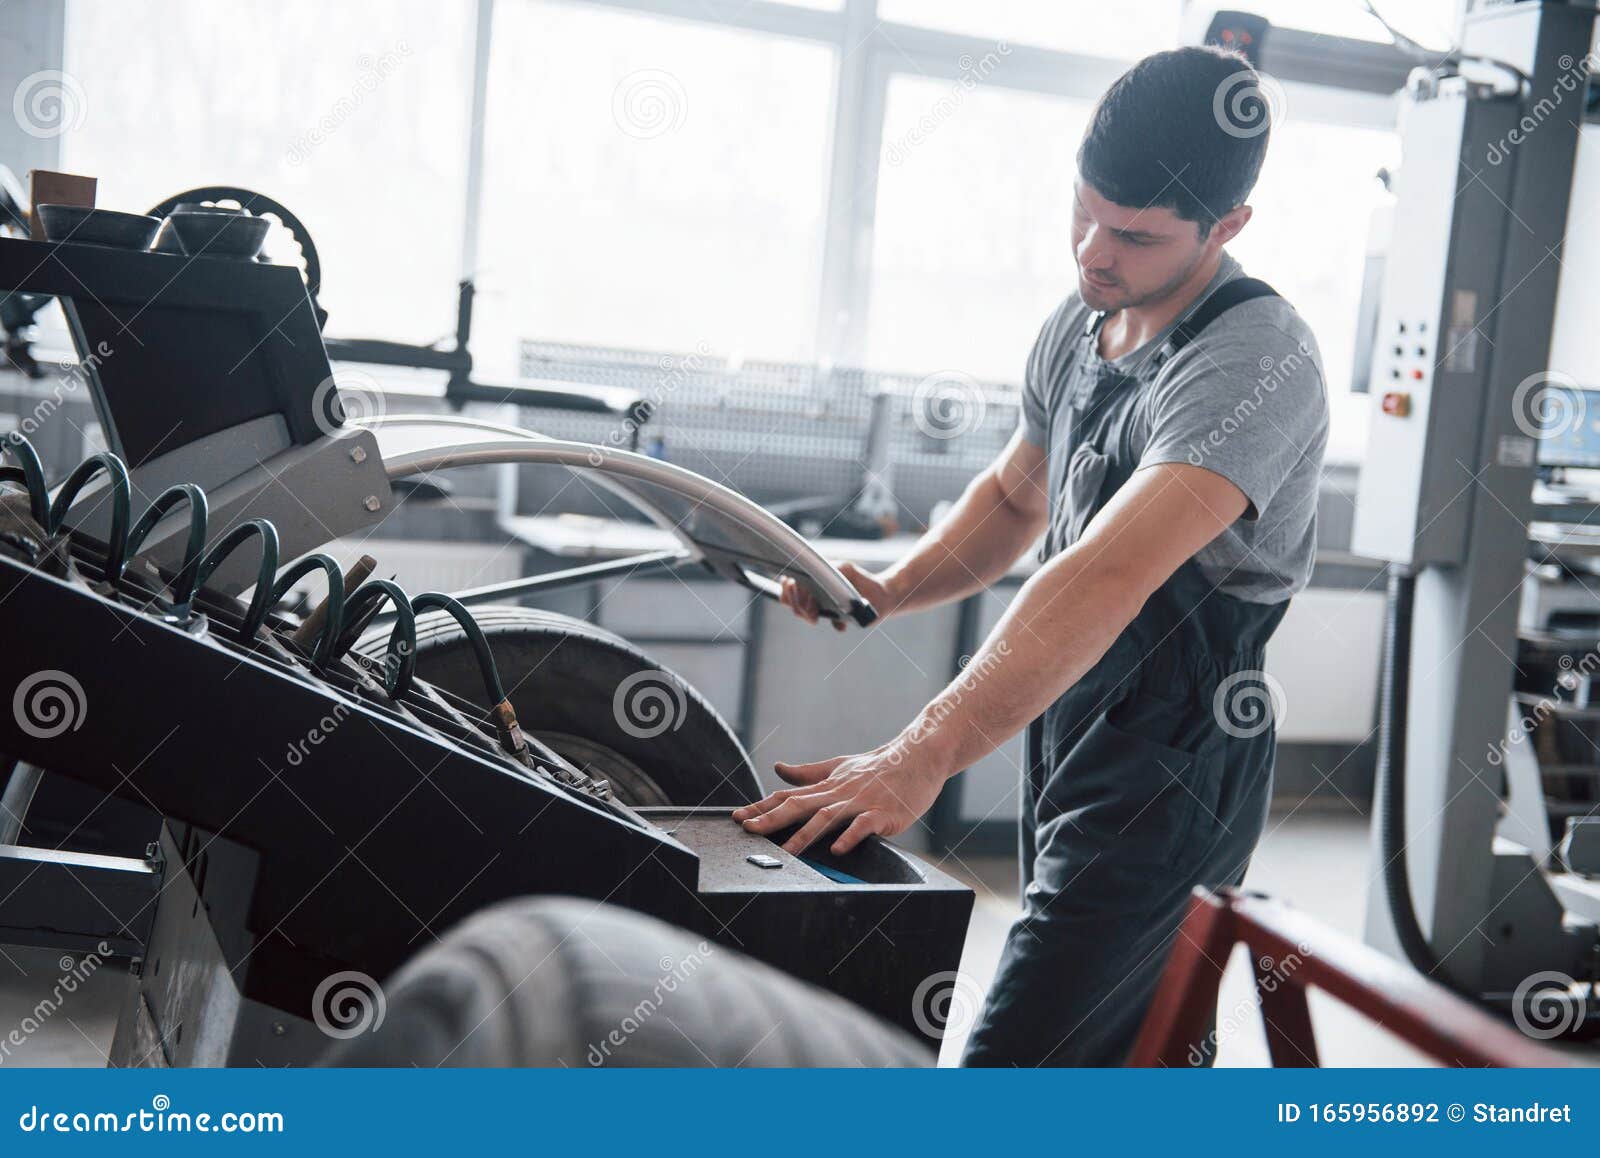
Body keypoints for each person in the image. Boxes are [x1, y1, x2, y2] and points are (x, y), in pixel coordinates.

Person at [733, 45, 1329, 1066]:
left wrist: (919, 752)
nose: (1093, 253)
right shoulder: (1084, 319)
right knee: (1135, 1045)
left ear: (1226, 227)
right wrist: (888, 589)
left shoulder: (1252, 358)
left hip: (1178, 755)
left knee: (1023, 1057)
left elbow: (1106, 573)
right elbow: (1017, 496)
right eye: (1083, 212)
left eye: (1134, 235)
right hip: (1071, 724)